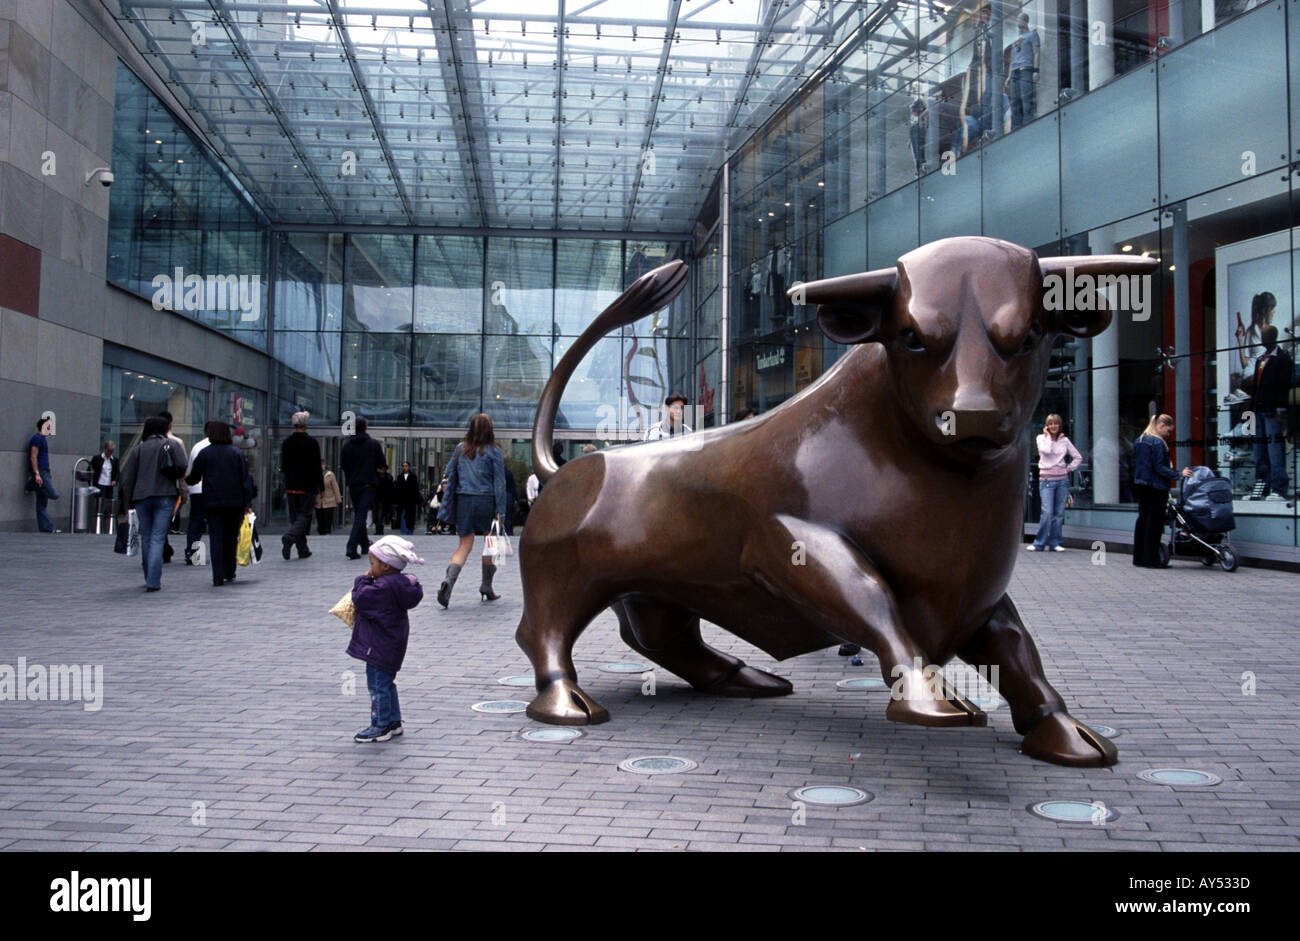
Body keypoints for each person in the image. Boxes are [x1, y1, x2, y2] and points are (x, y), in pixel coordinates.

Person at [347, 535, 425, 743]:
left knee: (377, 685)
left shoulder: (382, 588)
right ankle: (393, 721)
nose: (370, 568)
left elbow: (360, 597)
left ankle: (380, 725)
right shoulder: (399, 585)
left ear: (385, 566)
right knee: (387, 683)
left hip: (378, 646)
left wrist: (362, 580)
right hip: (392, 645)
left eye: (372, 564)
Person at [435, 413, 508, 607]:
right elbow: (499, 484)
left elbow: (450, 472)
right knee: (490, 544)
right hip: (487, 501)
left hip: (463, 501)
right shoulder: (495, 452)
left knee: (464, 546)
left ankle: (448, 582)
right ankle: (486, 586)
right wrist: (501, 512)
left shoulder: (460, 449)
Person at [119, 416, 187, 591]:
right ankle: (153, 581)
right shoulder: (171, 445)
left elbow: (129, 479)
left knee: (147, 537)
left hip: (142, 497)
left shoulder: (138, 449)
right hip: (165, 495)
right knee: (158, 537)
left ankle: (148, 576)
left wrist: (127, 505)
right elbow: (183, 465)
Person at [185, 420, 254, 587]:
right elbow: (245, 480)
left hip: (212, 502)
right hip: (235, 503)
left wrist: (185, 478)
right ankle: (229, 571)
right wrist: (247, 502)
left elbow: (194, 477)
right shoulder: (236, 453)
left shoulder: (205, 453)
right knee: (231, 537)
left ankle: (217, 576)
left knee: (216, 538)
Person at [1132, 413, 1192, 567]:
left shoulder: (1139, 440)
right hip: (1156, 486)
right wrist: (1179, 474)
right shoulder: (1158, 443)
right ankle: (1152, 559)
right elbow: (1159, 467)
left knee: (1142, 520)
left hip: (1140, 483)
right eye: (1168, 431)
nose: (1168, 435)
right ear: (1161, 425)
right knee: (1155, 523)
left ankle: (1139, 558)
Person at [1027, 414, 1082, 552]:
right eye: (1050, 424)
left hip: (1062, 480)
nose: (1053, 426)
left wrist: (1068, 469)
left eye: (1055, 423)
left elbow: (1078, 457)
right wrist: (1048, 437)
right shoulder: (1041, 439)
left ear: (1059, 425)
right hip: (1046, 480)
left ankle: (1055, 542)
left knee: (1059, 513)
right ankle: (1039, 543)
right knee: (1047, 512)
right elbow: (1046, 451)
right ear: (1046, 426)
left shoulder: (1065, 440)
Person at [1251, 324, 1293, 500]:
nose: (1263, 340)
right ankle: (1262, 487)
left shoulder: (1282, 358)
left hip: (1272, 410)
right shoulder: (1261, 358)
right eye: (1262, 336)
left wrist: (1281, 408)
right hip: (1259, 409)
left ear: (1273, 338)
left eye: (1266, 336)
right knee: (1260, 451)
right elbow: (1256, 386)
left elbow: (1284, 386)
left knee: (1275, 450)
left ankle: (1279, 489)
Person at [279, 411, 324, 560]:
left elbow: (283, 465)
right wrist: (320, 486)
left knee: (295, 517)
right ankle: (290, 537)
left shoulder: (287, 442)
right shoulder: (312, 443)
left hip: (291, 484)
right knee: (305, 515)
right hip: (307, 485)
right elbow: (317, 467)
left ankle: (302, 549)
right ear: (305, 424)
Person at [340, 417, 385, 560]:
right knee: (361, 515)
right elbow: (382, 463)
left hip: (353, 484)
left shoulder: (347, 445)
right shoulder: (373, 444)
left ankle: (365, 544)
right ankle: (351, 546)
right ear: (365, 427)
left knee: (359, 512)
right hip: (368, 484)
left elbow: (344, 466)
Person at [183, 422, 213, 564]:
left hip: (196, 489)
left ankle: (192, 552)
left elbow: (190, 470)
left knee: (196, 522)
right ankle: (215, 554)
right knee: (214, 523)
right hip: (212, 490)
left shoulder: (197, 446)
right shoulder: (220, 446)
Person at [1007, 13, 1039, 130]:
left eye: (1019, 20)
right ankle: (1016, 130)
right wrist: (1009, 76)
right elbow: (1012, 59)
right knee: (1015, 103)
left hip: (1026, 69)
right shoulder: (1015, 39)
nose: (1017, 22)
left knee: (1026, 101)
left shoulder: (1032, 35)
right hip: (1015, 71)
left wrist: (1036, 70)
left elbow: (1036, 52)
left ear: (1025, 21)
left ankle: (1028, 127)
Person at [28, 417, 59, 533]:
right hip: (41, 472)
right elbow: (33, 456)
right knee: (54, 494)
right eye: (49, 425)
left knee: (41, 505)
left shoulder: (43, 439)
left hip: (45, 472)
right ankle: (32, 484)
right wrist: (36, 474)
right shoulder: (37, 438)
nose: (51, 428)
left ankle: (45, 529)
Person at [90, 440, 119, 530]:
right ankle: (97, 525)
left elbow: (117, 472)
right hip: (100, 484)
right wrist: (93, 482)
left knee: (108, 505)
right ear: (105, 449)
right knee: (99, 505)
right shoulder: (97, 459)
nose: (109, 453)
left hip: (109, 485)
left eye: (111, 452)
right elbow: (91, 470)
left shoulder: (114, 460)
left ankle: (107, 526)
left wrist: (115, 480)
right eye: (108, 451)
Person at [393, 460, 421, 536]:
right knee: (402, 515)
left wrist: (417, 500)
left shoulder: (413, 477)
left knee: (410, 516)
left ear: (409, 467)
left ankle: (410, 530)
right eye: (403, 466)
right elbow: (397, 489)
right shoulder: (399, 477)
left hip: (411, 500)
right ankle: (403, 530)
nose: (405, 468)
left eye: (406, 466)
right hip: (402, 500)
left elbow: (416, 489)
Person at [317, 459, 342, 535]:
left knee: (328, 517)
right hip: (318, 501)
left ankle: (327, 531)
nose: (322, 466)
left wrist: (338, 499)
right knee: (320, 517)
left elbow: (335, 487)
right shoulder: (315, 475)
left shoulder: (330, 475)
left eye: (323, 464)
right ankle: (321, 531)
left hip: (329, 500)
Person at [374, 464, 395, 536]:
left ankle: (379, 528)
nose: (381, 471)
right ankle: (378, 528)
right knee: (376, 515)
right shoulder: (375, 477)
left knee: (380, 514)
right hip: (376, 498)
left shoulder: (388, 478)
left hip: (384, 500)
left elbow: (391, 490)